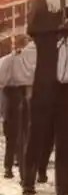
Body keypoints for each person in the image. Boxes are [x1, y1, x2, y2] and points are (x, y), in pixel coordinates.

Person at [21, 0, 68, 195]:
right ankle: (28, 194)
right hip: (44, 85)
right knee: (36, 139)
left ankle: (64, 191)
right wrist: (59, 20)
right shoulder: (40, 5)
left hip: (67, 85)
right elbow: (33, 27)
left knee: (67, 140)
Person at [1, 35, 31, 180]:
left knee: (14, 134)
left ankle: (12, 166)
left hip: (12, 94)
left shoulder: (5, 61)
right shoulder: (15, 61)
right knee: (17, 133)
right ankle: (14, 165)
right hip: (15, 94)